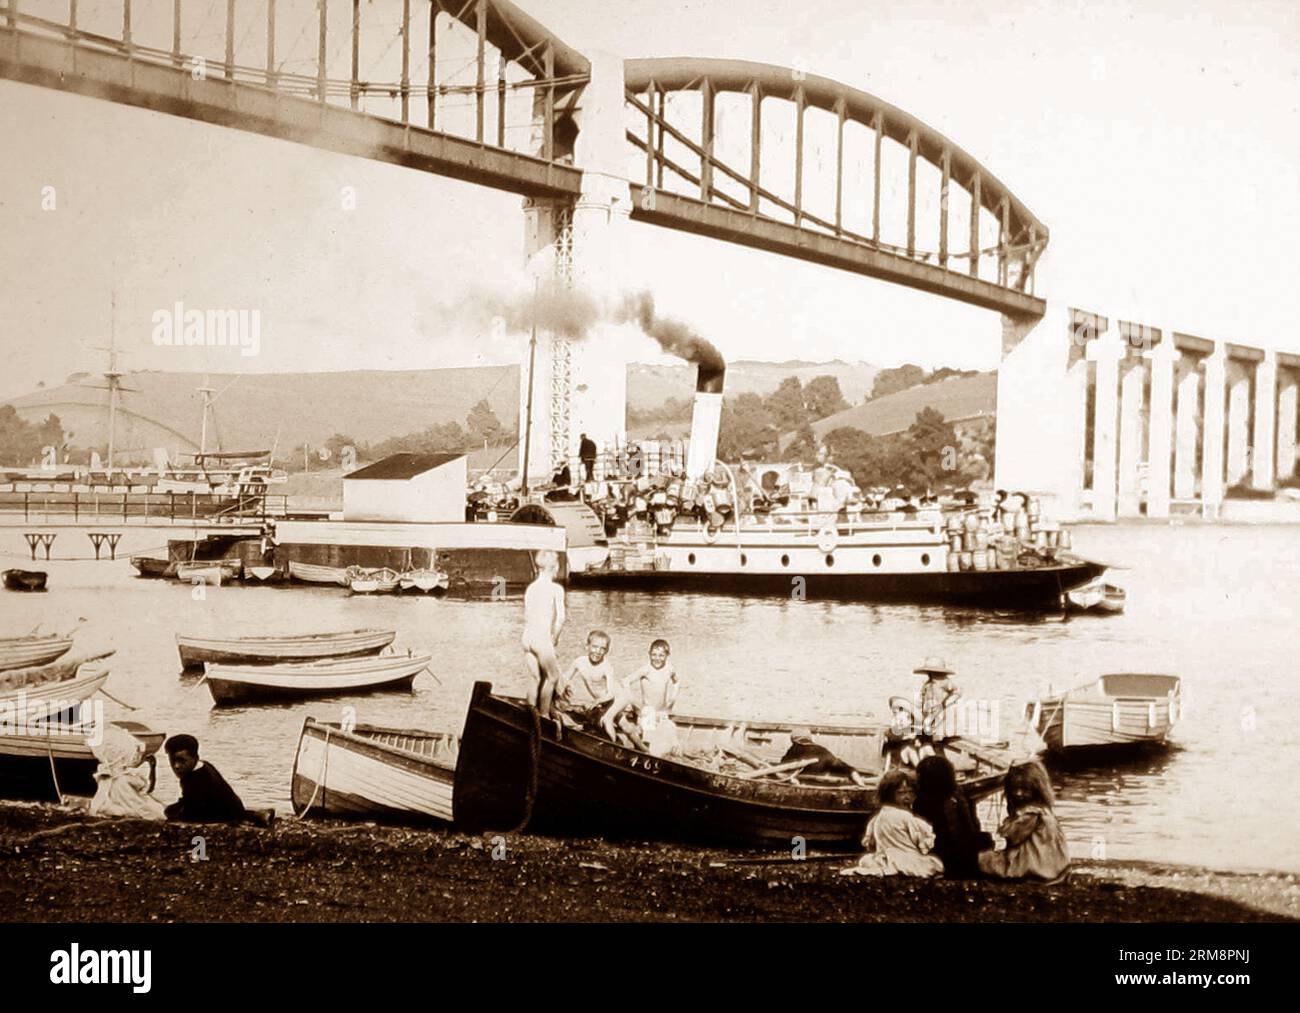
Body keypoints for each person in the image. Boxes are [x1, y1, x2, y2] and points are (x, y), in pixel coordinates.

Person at [840, 768, 944, 878]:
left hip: (886, 857)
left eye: (910, 792)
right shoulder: (906, 817)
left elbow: (869, 843)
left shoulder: (878, 817)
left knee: (869, 861)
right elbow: (922, 838)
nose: (907, 797)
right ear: (889, 794)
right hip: (904, 857)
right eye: (901, 793)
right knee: (932, 863)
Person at [978, 761, 1070, 881]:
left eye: (1025, 789)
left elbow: (1013, 837)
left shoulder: (1030, 813)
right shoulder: (1044, 810)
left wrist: (1008, 825)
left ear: (1037, 789)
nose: (1018, 793)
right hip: (1054, 864)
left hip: (1037, 865)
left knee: (982, 860)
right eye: (1015, 789)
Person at [913, 754, 992, 878]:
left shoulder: (923, 801)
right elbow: (974, 826)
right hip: (970, 853)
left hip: (945, 855)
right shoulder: (961, 796)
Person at [162, 734, 249, 824]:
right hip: (231, 811)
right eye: (172, 761)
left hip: (225, 818)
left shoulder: (196, 780)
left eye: (182, 761)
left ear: (195, 758)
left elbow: (192, 811)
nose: (176, 766)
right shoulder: (204, 766)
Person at [521, 549, 566, 718]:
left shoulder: (531, 588)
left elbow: (527, 615)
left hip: (527, 637)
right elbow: (561, 619)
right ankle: (545, 715)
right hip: (541, 639)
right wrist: (554, 639)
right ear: (554, 567)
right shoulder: (556, 589)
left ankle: (530, 715)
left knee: (534, 678)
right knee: (553, 677)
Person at [88, 724, 165, 821]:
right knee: (157, 811)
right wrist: (152, 768)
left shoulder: (106, 776)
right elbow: (146, 791)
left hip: (110, 804)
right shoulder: (128, 778)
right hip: (130, 806)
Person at [556, 630, 617, 726]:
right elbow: (565, 679)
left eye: (602, 648)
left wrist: (597, 701)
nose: (598, 651)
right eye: (595, 647)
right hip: (599, 703)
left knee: (625, 727)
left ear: (607, 651)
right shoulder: (579, 662)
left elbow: (611, 694)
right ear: (587, 646)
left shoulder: (607, 667)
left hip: (613, 702)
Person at [781, 728, 869, 785]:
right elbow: (837, 764)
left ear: (793, 740)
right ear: (810, 738)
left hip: (806, 782)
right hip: (823, 779)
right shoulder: (822, 750)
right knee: (839, 766)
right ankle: (855, 776)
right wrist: (851, 771)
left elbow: (783, 766)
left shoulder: (794, 749)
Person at [914, 656, 961, 742]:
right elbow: (922, 696)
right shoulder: (927, 684)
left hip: (940, 708)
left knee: (941, 721)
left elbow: (957, 691)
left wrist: (950, 700)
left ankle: (941, 736)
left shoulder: (945, 682)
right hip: (929, 709)